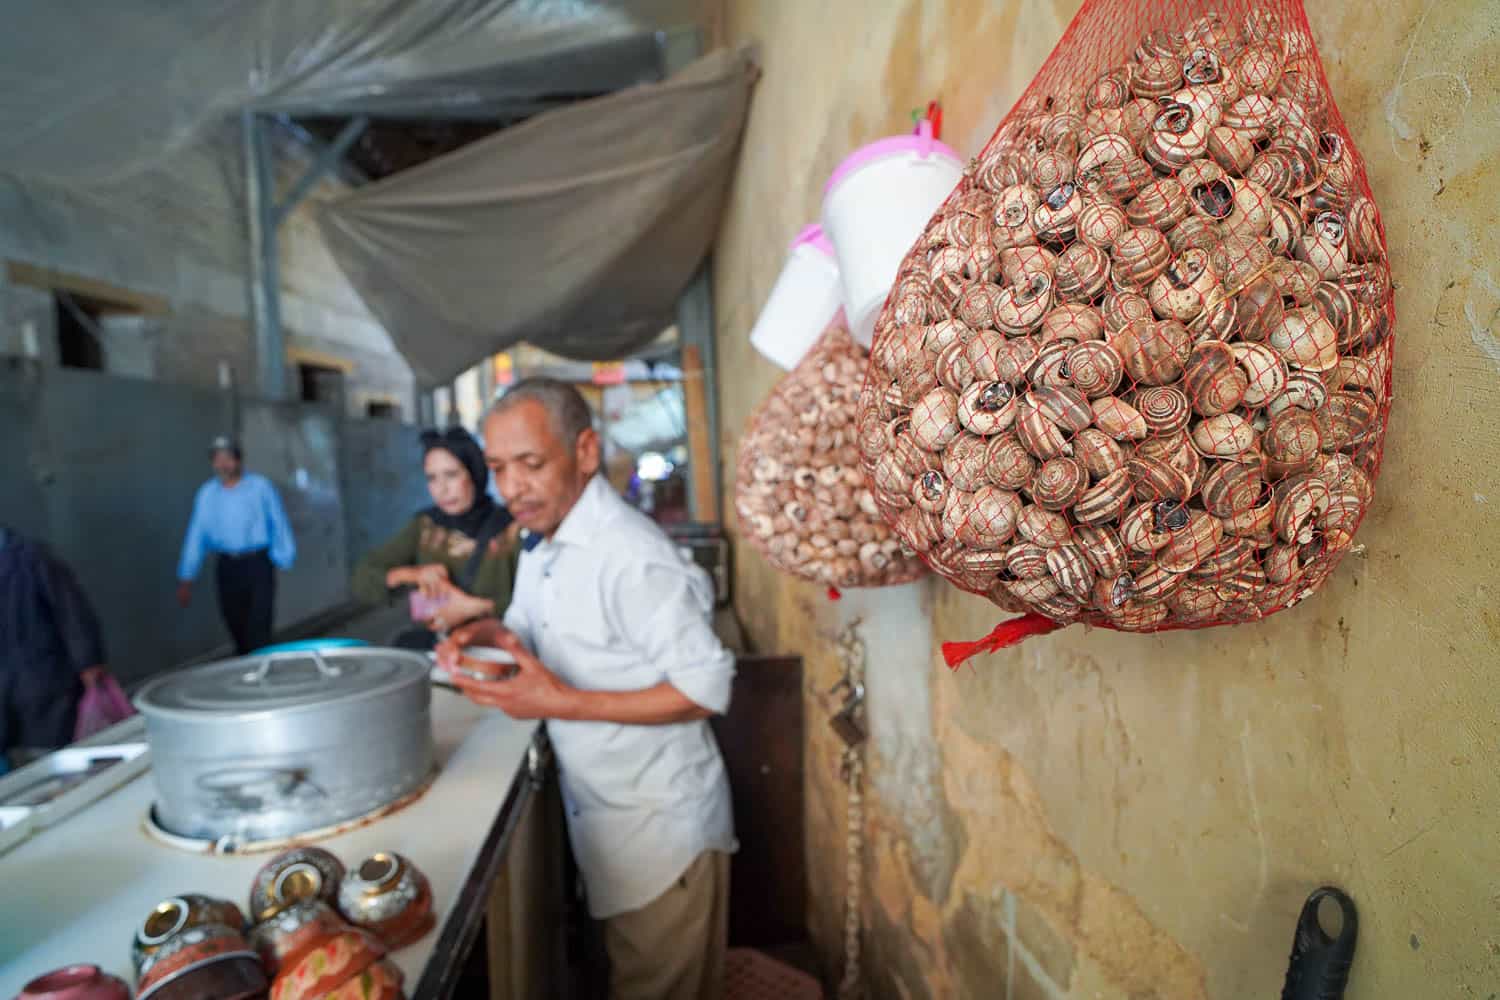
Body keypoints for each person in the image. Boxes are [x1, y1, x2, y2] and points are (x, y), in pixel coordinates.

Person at [436, 378, 735, 1000]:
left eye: (531, 464)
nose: (512, 487)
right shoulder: (543, 540)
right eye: (497, 469)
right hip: (606, 821)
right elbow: (525, 627)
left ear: (587, 452)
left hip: (662, 835)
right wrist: (480, 633)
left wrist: (559, 702)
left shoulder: (630, 555)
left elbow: (707, 686)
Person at [352, 427, 517, 649]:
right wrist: (412, 574)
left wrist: (476, 607)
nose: (442, 489)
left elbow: (545, 606)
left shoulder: (511, 530)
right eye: (432, 478)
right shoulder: (425, 527)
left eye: (451, 474)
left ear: (475, 473)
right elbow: (363, 576)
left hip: (495, 657)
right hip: (437, 654)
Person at [176, 436, 297, 655]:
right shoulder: (207, 494)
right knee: (236, 625)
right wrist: (187, 576)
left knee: (259, 628)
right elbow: (197, 534)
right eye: (217, 459)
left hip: (258, 563)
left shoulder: (260, 487)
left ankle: (263, 675)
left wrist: (284, 557)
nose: (223, 465)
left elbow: (278, 522)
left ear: (239, 460)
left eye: (228, 459)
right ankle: (246, 675)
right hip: (227, 566)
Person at [0, 525, 112, 761]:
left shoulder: (32, 558)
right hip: (9, 688)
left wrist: (88, 663)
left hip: (43, 680)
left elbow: (71, 610)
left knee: (51, 753)